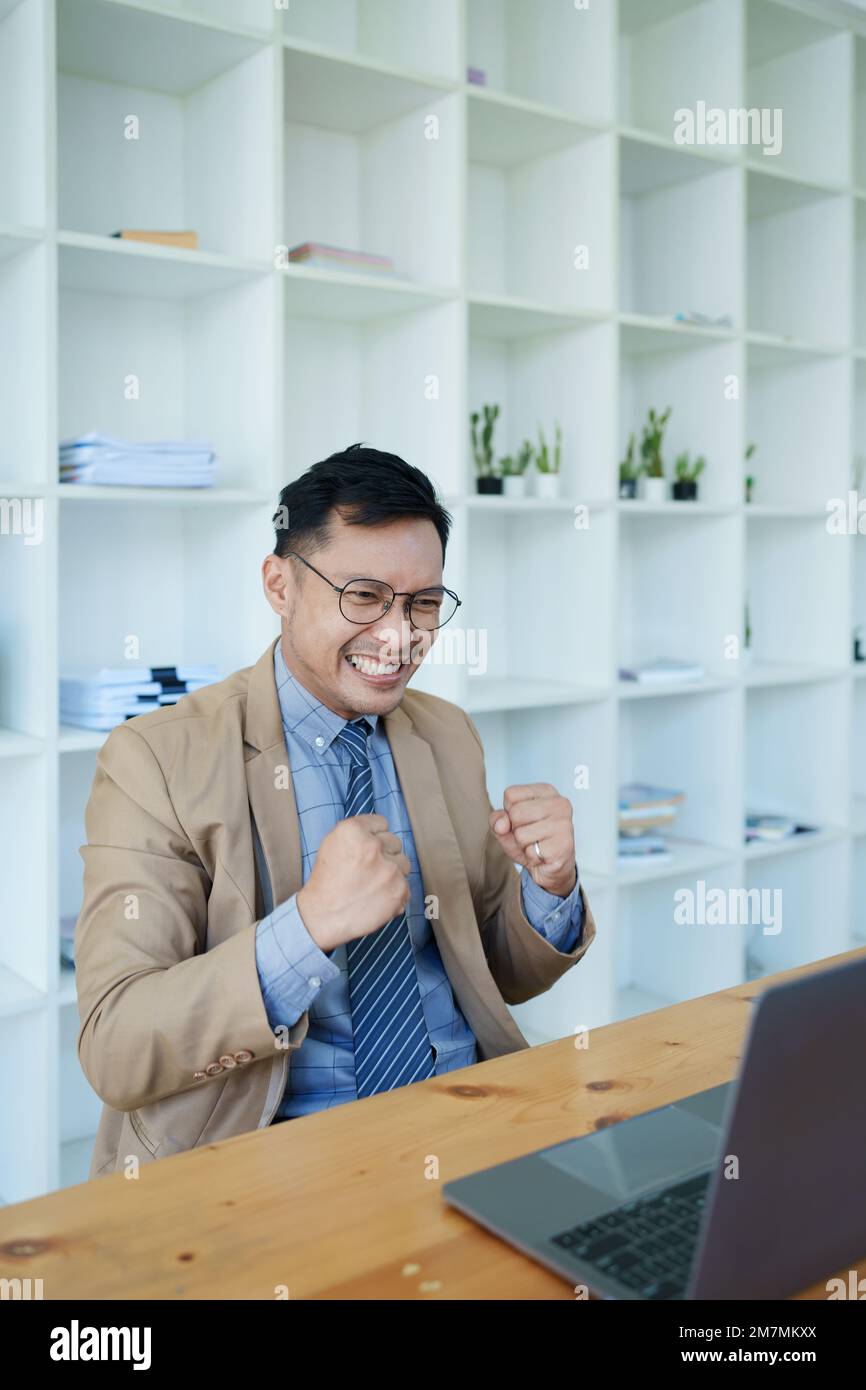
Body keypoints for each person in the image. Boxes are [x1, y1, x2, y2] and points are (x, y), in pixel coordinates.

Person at [76, 443, 596, 1178]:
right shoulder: (154, 759)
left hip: (469, 1121)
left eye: (422, 603)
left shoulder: (446, 732)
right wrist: (307, 927)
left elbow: (494, 972)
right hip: (273, 1157)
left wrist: (549, 890)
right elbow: (116, 1046)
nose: (399, 635)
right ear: (279, 585)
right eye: (363, 596)